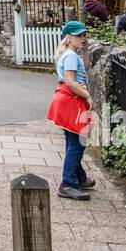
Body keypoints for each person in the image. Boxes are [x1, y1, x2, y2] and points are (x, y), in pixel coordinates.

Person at [46, 20, 95, 201]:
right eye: (79, 35)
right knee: (76, 144)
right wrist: (87, 96)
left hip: (69, 100)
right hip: (72, 101)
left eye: (84, 35)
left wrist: (86, 50)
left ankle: (79, 178)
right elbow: (70, 81)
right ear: (68, 38)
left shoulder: (72, 54)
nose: (83, 38)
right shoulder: (71, 56)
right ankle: (67, 184)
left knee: (73, 141)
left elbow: (86, 69)